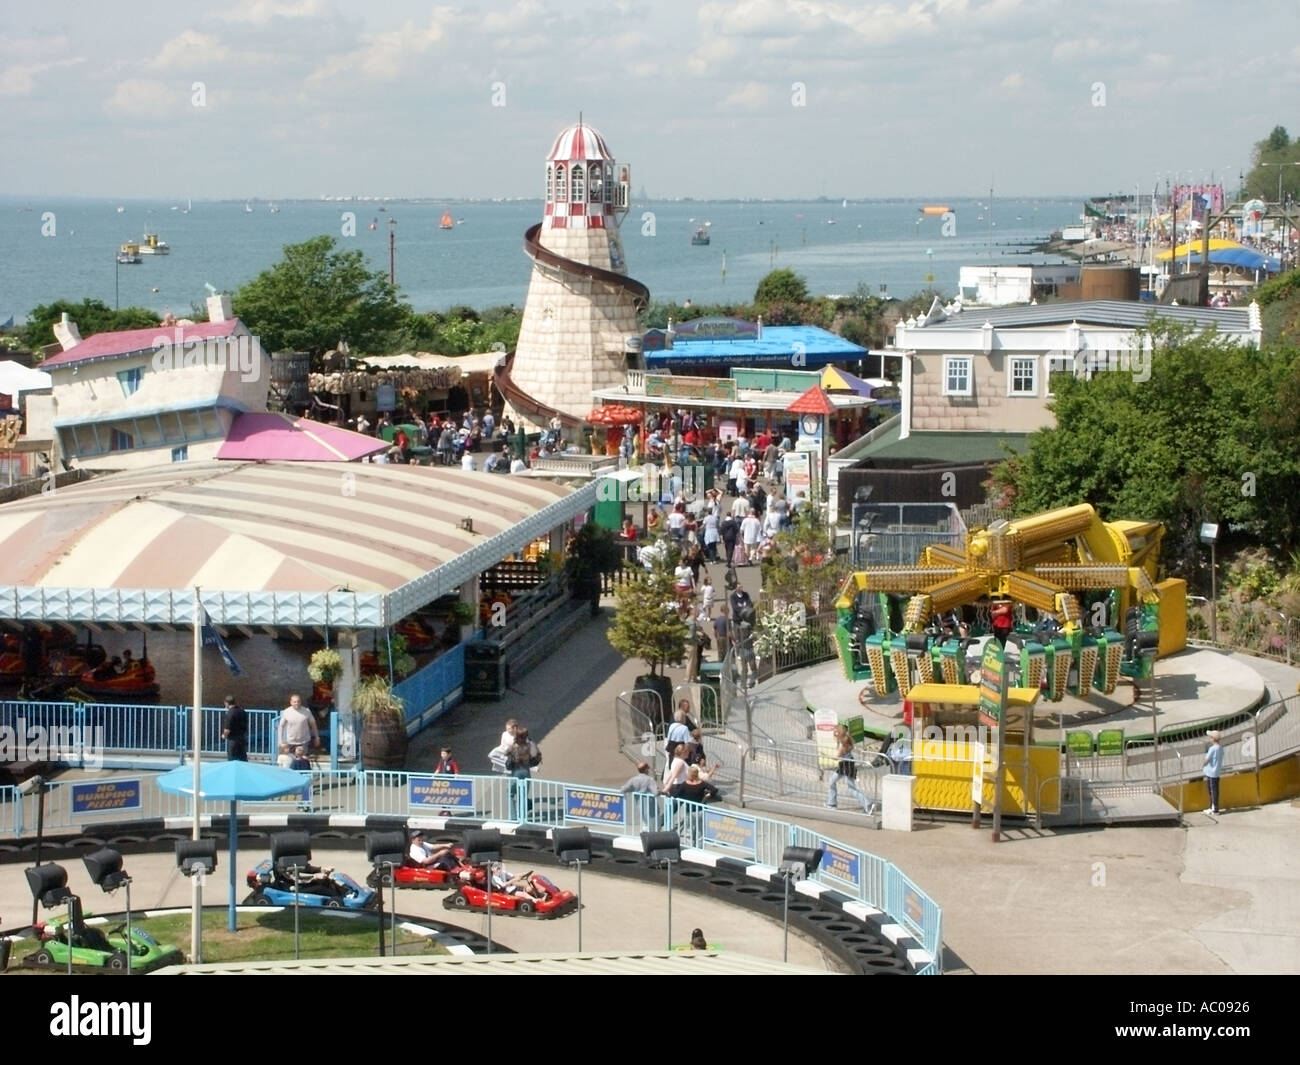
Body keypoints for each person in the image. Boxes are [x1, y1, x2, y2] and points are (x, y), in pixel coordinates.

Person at [826, 723, 873, 814]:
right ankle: (832, 803)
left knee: (851, 788)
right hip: (846, 764)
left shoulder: (842, 744)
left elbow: (836, 756)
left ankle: (867, 804)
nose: (834, 734)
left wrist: (827, 756)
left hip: (846, 766)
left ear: (839, 733)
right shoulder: (847, 739)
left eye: (835, 732)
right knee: (832, 781)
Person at [277, 693, 319, 763]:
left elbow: (313, 724)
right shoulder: (286, 712)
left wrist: (317, 737)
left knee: (304, 760)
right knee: (291, 761)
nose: (297, 703)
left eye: (298, 701)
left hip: (304, 741)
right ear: (291, 702)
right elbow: (281, 726)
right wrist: (280, 740)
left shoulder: (307, 711)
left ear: (301, 702)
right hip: (291, 742)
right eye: (294, 702)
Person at [221, 694, 248, 761]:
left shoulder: (230, 713)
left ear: (226, 703)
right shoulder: (242, 711)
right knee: (243, 760)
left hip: (233, 740)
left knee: (232, 760)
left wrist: (224, 735)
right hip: (242, 739)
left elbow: (227, 729)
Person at [1204, 730, 1224, 814]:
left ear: (1213, 739)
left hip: (1211, 773)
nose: (1209, 739)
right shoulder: (1220, 748)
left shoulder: (1212, 749)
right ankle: (1212, 807)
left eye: (1210, 737)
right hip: (1216, 772)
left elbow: (1207, 760)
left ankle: (1215, 808)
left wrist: (1203, 764)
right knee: (1214, 790)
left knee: (1212, 791)